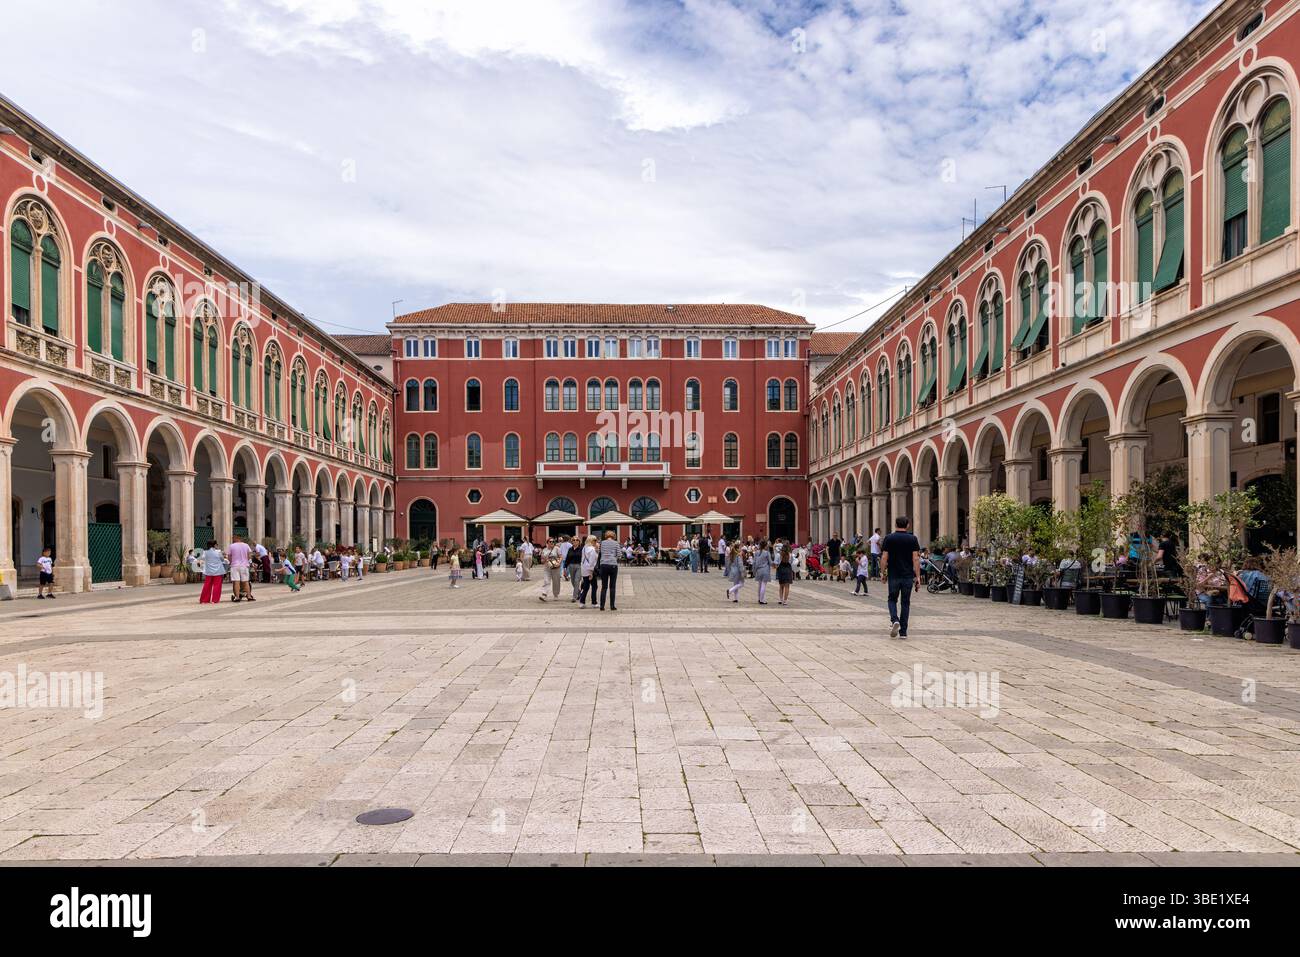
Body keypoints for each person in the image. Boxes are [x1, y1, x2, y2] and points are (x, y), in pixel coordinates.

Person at [880, 516, 921, 639]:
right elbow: (916, 558)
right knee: (905, 602)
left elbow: (884, 557)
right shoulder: (913, 539)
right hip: (907, 575)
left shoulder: (889, 538)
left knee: (892, 599)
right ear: (907, 525)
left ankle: (894, 620)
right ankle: (903, 632)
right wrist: (918, 577)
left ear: (895, 524)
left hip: (894, 575)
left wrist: (883, 573)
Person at [197, 539, 225, 604]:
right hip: (218, 571)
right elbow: (222, 560)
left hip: (208, 571)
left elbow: (201, 559)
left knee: (207, 585)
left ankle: (204, 600)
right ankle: (214, 600)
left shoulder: (205, 552)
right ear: (214, 545)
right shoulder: (218, 552)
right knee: (217, 586)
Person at [597, 530, 620, 610]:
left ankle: (602, 606)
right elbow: (619, 555)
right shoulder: (616, 543)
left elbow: (600, 553)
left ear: (606, 535)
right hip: (613, 565)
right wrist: (614, 558)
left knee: (604, 587)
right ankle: (612, 606)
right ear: (613, 536)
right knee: (612, 587)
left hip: (603, 565)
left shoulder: (602, 543)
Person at [228, 533, 254, 602]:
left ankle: (237, 597)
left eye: (233, 538)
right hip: (244, 566)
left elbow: (229, 556)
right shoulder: (246, 545)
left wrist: (231, 562)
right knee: (246, 582)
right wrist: (247, 561)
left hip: (235, 566)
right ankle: (249, 596)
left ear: (236, 537)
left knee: (236, 581)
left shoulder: (231, 546)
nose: (232, 539)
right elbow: (249, 555)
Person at [578, 535, 599, 607]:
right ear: (592, 541)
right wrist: (591, 572)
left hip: (584, 568)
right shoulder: (592, 549)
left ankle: (582, 602)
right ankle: (594, 602)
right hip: (590, 569)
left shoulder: (584, 548)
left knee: (586, 586)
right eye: (595, 540)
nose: (597, 542)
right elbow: (592, 561)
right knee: (594, 586)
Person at [752, 539, 773, 605]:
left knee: (759, 585)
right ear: (765, 545)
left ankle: (759, 598)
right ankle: (762, 600)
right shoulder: (767, 553)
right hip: (765, 570)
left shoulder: (756, 552)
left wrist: (754, 571)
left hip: (758, 570)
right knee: (763, 585)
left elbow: (754, 562)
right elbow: (770, 562)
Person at [565, 534, 584, 601]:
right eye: (573, 540)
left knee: (576, 581)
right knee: (573, 581)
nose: (575, 541)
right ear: (572, 541)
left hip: (579, 566)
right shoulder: (570, 549)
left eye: (577, 540)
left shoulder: (582, 549)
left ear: (579, 541)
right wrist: (565, 567)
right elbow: (567, 558)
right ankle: (579, 592)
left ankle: (574, 597)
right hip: (571, 566)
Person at [776, 540, 794, 605]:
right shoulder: (790, 554)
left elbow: (777, 563)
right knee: (787, 586)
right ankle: (785, 601)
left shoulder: (780, 554)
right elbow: (791, 562)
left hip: (781, 569)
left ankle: (780, 600)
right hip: (788, 569)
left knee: (781, 586)